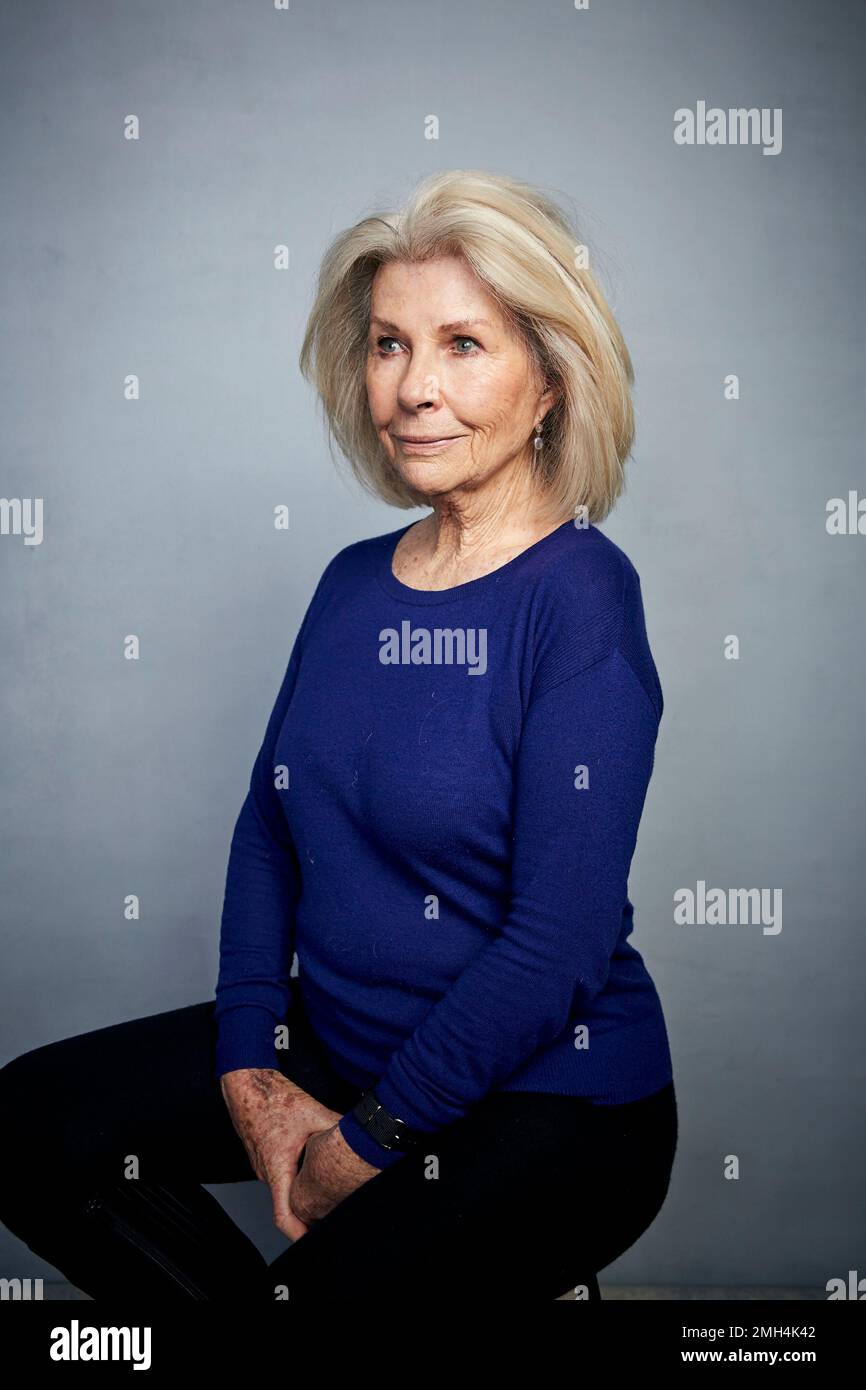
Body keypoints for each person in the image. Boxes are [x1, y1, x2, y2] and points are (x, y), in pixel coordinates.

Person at [0, 169, 677, 1302]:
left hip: (547, 1097)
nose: (413, 387)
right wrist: (248, 1070)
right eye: (387, 345)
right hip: (337, 1043)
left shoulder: (582, 600)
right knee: (26, 1123)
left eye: (462, 344)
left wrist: (361, 1146)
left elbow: (553, 947)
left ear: (551, 380)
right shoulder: (352, 584)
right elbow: (269, 828)